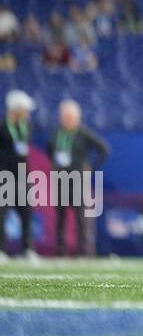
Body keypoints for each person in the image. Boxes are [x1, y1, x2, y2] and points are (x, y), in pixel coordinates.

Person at [46, 99, 111, 257]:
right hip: (61, 179)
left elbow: (104, 149)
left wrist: (91, 166)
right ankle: (60, 251)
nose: (68, 120)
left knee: (81, 219)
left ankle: (85, 252)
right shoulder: (57, 133)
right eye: (65, 116)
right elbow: (49, 149)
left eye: (71, 117)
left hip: (78, 181)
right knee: (60, 218)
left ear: (77, 118)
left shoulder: (83, 133)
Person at [1, 90, 37, 259]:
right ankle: (1, 249)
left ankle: (27, 249)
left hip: (22, 176)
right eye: (24, 109)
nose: (27, 113)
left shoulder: (26, 125)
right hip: (4, 175)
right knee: (1, 213)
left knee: (26, 214)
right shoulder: (2, 125)